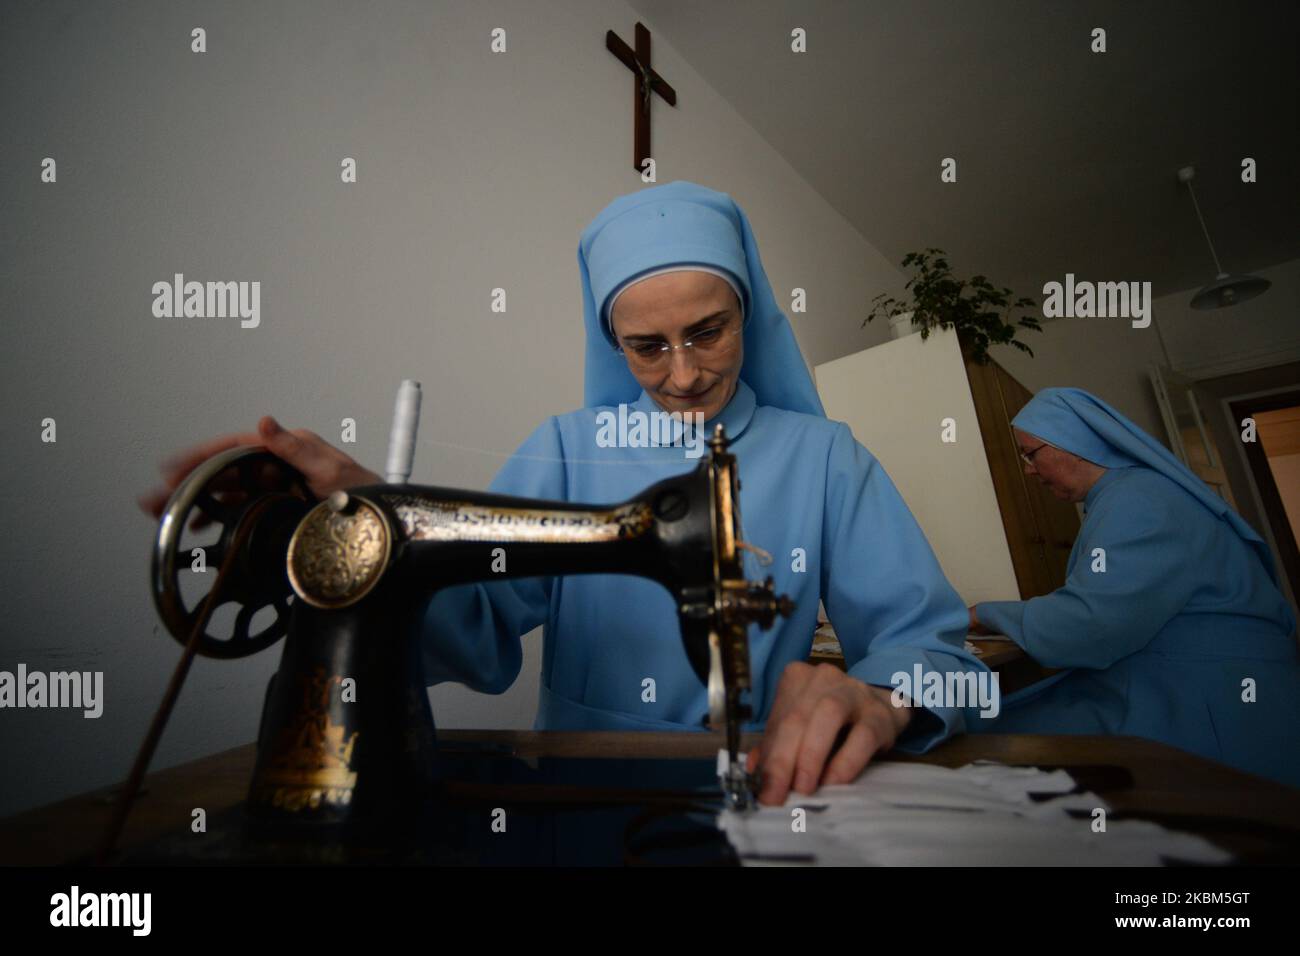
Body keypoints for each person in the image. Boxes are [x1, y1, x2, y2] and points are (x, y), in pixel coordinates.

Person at [140, 180, 990, 806]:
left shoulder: (829, 458)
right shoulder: (564, 450)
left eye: (708, 331)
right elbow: (468, 625)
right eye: (646, 347)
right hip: (577, 796)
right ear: (610, 341)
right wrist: (366, 524)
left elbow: (944, 659)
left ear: (750, 315)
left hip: (770, 792)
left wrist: (884, 698)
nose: (685, 375)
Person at [967, 387, 1300, 788]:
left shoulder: (1137, 500)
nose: (1029, 471)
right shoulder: (1126, 497)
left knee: (993, 742)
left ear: (1071, 441)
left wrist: (984, 613)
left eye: (1030, 454)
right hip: (1202, 680)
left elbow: (1090, 624)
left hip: (1211, 697)